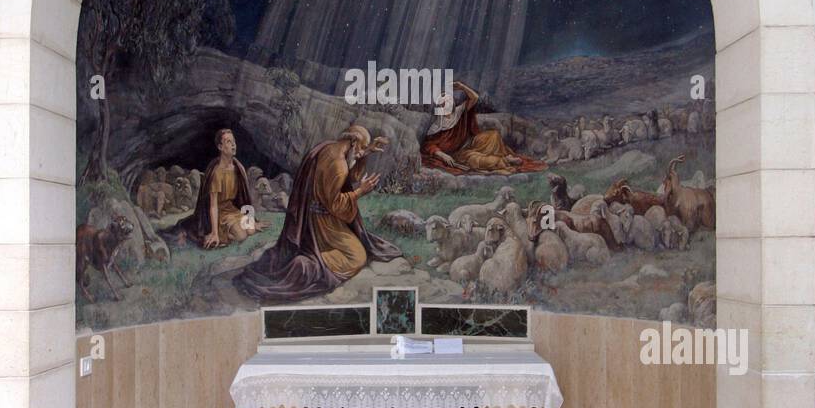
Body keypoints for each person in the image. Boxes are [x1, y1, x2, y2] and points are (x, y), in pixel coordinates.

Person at [234, 124, 401, 302]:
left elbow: (348, 176)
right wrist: (361, 191)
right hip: (324, 222)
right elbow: (336, 205)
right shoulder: (339, 165)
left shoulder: (329, 148)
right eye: (360, 148)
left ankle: (311, 256)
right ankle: (309, 265)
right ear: (352, 141)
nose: (360, 153)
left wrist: (366, 152)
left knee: (356, 245)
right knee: (357, 257)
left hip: (312, 217)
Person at [420, 80, 545, 176]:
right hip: (459, 154)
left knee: (493, 135)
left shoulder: (459, 112)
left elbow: (474, 97)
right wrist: (443, 155)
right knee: (476, 159)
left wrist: (462, 87)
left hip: (470, 144)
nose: (448, 106)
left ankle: (506, 156)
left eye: (449, 102)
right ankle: (503, 161)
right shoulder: (436, 127)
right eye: (444, 104)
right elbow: (429, 145)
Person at [179, 128, 264, 248]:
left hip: (231, 209)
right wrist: (214, 232)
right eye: (229, 142)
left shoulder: (237, 167)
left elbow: (243, 197)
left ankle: (232, 229)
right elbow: (213, 205)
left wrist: (253, 221)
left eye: (234, 141)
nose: (233, 145)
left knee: (251, 230)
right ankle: (219, 232)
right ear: (220, 147)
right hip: (220, 213)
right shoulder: (217, 173)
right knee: (242, 236)